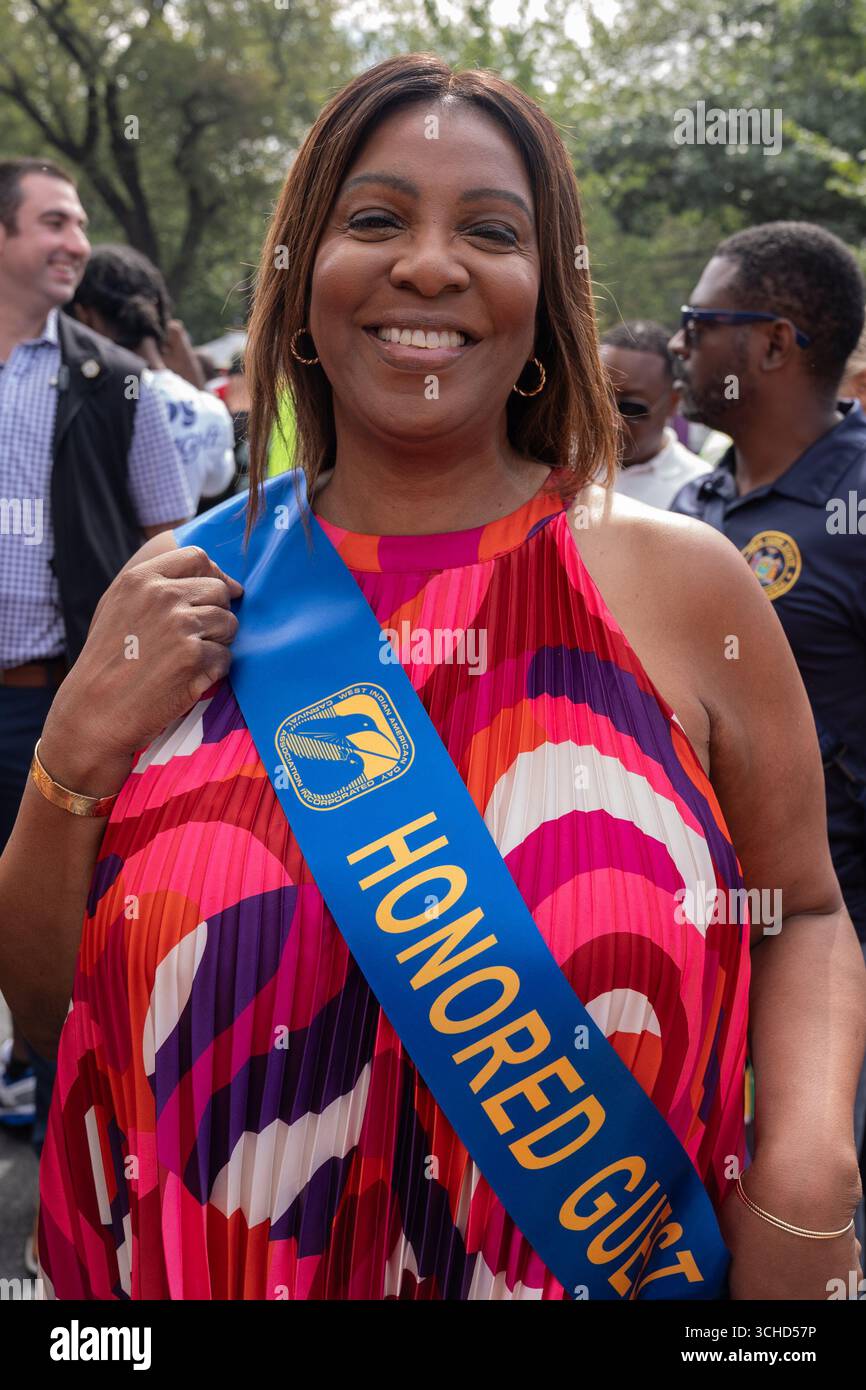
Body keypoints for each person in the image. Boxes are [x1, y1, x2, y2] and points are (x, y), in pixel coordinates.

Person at [1, 59, 863, 1302]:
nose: (427, 265)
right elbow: (44, 1014)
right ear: (299, 280)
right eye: (374, 220)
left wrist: (809, 1170)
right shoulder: (184, 588)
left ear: (542, 295)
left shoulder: (681, 584)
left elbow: (805, 915)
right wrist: (70, 756)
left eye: (491, 232)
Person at [0, 158, 192, 1266]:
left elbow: (171, 542)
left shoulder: (118, 382)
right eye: (55, 222)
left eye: (79, 224)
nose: (77, 241)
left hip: (67, 721)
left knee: (69, 966)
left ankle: (76, 1215)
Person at [668, 220, 866, 1240]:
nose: (679, 344)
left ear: (774, 345)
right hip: (696, 945)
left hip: (830, 953)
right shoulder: (691, 509)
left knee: (814, 1206)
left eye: (702, 323)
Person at [71, 245, 237, 510]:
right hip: (176, 548)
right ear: (156, 306)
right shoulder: (209, 409)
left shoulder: (81, 407)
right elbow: (215, 485)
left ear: (84, 315)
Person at [600, 321, 709, 508]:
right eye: (597, 401)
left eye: (630, 407)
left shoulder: (698, 491)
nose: (610, 420)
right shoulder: (557, 464)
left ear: (673, 403)